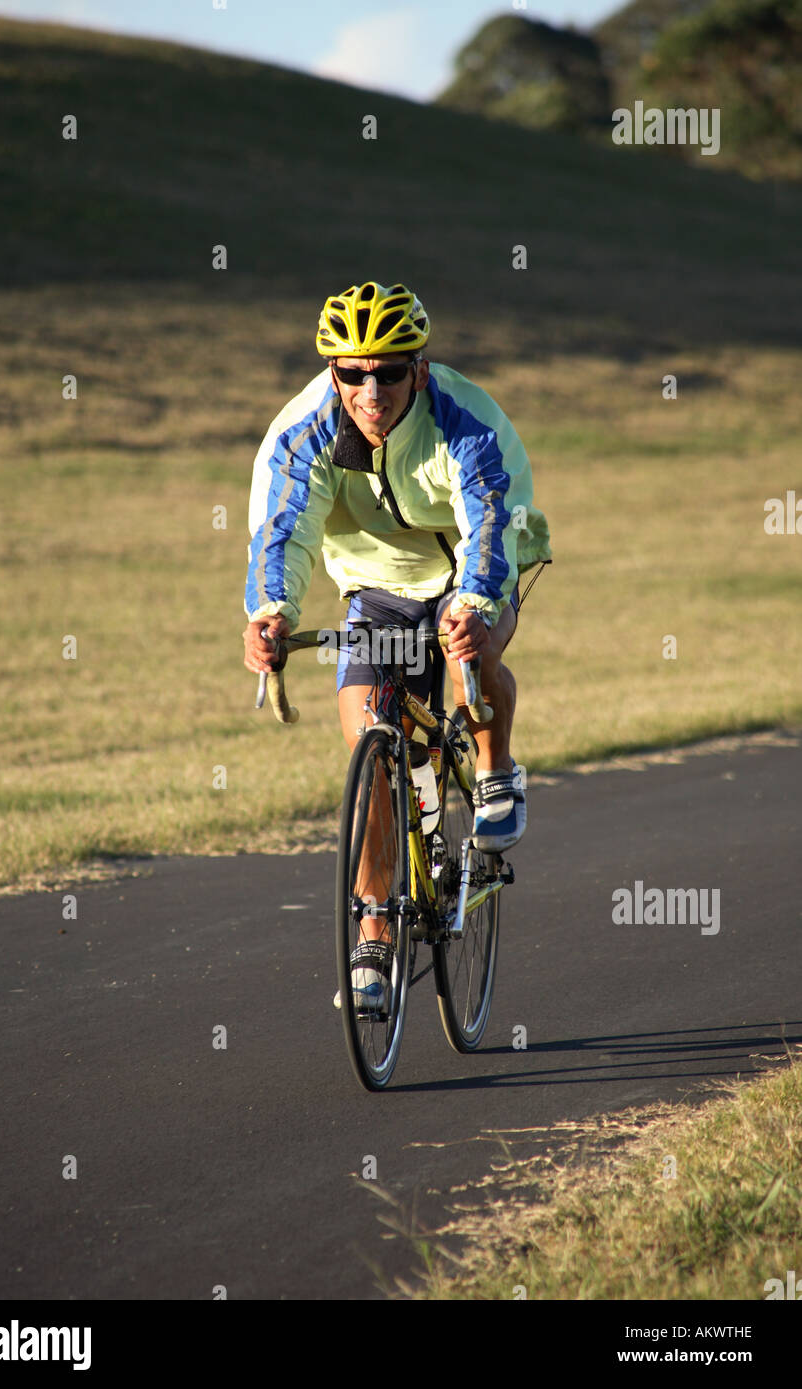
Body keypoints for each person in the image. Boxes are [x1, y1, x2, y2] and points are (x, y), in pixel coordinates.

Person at [243, 281, 551, 1008]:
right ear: (333, 375)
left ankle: (495, 768)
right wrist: (270, 615)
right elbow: (284, 531)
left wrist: (475, 607)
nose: (370, 388)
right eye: (352, 372)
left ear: (419, 366)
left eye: (387, 370)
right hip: (376, 589)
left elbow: (490, 524)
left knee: (469, 654)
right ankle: (374, 934)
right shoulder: (304, 433)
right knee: (371, 752)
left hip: (474, 568)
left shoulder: (465, 423)